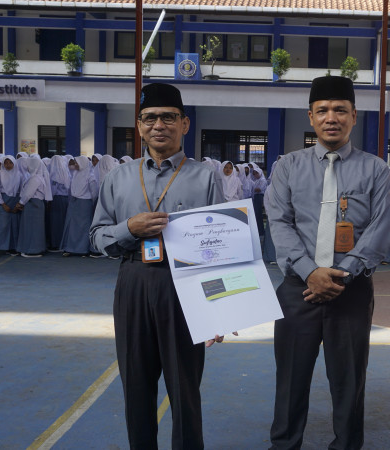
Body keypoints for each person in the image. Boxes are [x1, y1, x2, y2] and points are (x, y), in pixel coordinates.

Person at [90, 83, 226, 449]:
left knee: (184, 388)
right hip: (133, 280)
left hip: (185, 286)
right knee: (136, 384)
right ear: (139, 126)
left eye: (168, 117)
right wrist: (128, 228)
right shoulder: (118, 178)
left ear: (185, 124)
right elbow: (97, 237)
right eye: (150, 118)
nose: (158, 125)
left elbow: (222, 249)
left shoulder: (206, 177)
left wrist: (217, 311)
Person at [266, 76, 390, 450]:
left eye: (340, 110)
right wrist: (310, 272)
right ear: (311, 117)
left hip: (350, 292)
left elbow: (379, 228)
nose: (331, 117)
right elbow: (279, 222)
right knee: (290, 380)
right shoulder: (288, 166)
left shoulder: (375, 170)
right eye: (322, 110)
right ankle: (285, 444)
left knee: (349, 382)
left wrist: (339, 275)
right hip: (296, 291)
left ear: (354, 116)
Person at [15, 156, 52, 257]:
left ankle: (33, 250)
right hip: (34, 204)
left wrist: (21, 203)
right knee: (33, 227)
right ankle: (34, 248)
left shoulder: (35, 178)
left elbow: (28, 193)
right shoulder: (36, 177)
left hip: (33, 204)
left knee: (32, 228)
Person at [61, 155, 98, 257]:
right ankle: (70, 248)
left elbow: (94, 192)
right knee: (71, 225)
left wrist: (88, 201)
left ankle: (83, 249)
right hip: (74, 202)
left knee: (83, 227)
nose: (75, 165)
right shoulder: (75, 174)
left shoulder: (90, 176)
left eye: (77, 163)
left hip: (84, 204)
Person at [0, 155, 24, 257]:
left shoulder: (19, 175)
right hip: (2, 200)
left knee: (14, 225)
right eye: (6, 163)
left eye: (10, 163)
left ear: (14, 163)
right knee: (3, 225)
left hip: (15, 201)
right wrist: (2, 204)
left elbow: (21, 190)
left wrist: (18, 204)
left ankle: (12, 247)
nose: (8, 165)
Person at [47, 154, 71, 251]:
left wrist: (49, 200)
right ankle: (63, 242)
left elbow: (52, 190)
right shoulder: (66, 172)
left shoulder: (54, 174)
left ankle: (55, 243)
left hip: (56, 199)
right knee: (62, 222)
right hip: (65, 200)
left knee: (55, 222)